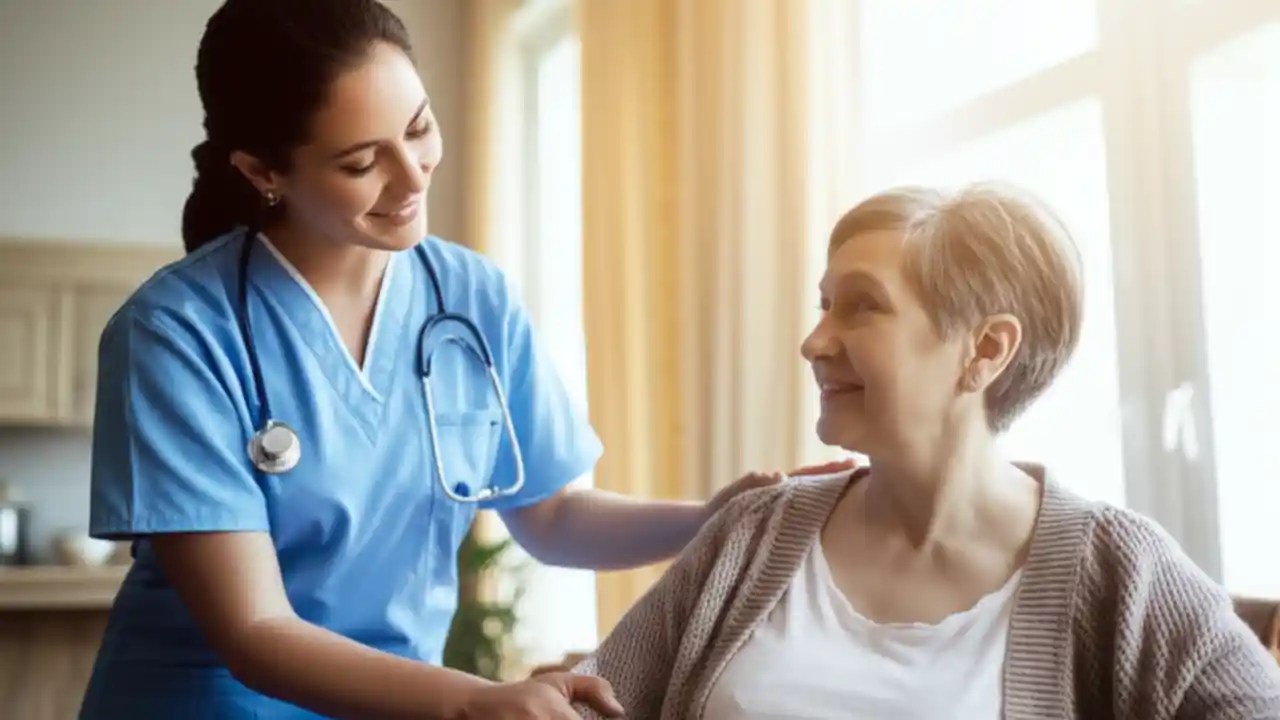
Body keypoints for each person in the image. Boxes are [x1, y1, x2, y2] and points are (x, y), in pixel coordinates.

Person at [77, 2, 809, 718]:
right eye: (363, 162)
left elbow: (552, 515)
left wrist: (715, 520)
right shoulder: (177, 333)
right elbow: (255, 632)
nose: (413, 175)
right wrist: (476, 698)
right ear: (264, 170)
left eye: (419, 128)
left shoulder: (470, 295)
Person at [571, 184, 1280, 718]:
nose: (814, 342)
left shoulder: (1121, 568)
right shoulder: (752, 534)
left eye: (862, 305)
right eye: (824, 304)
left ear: (987, 348)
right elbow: (587, 703)